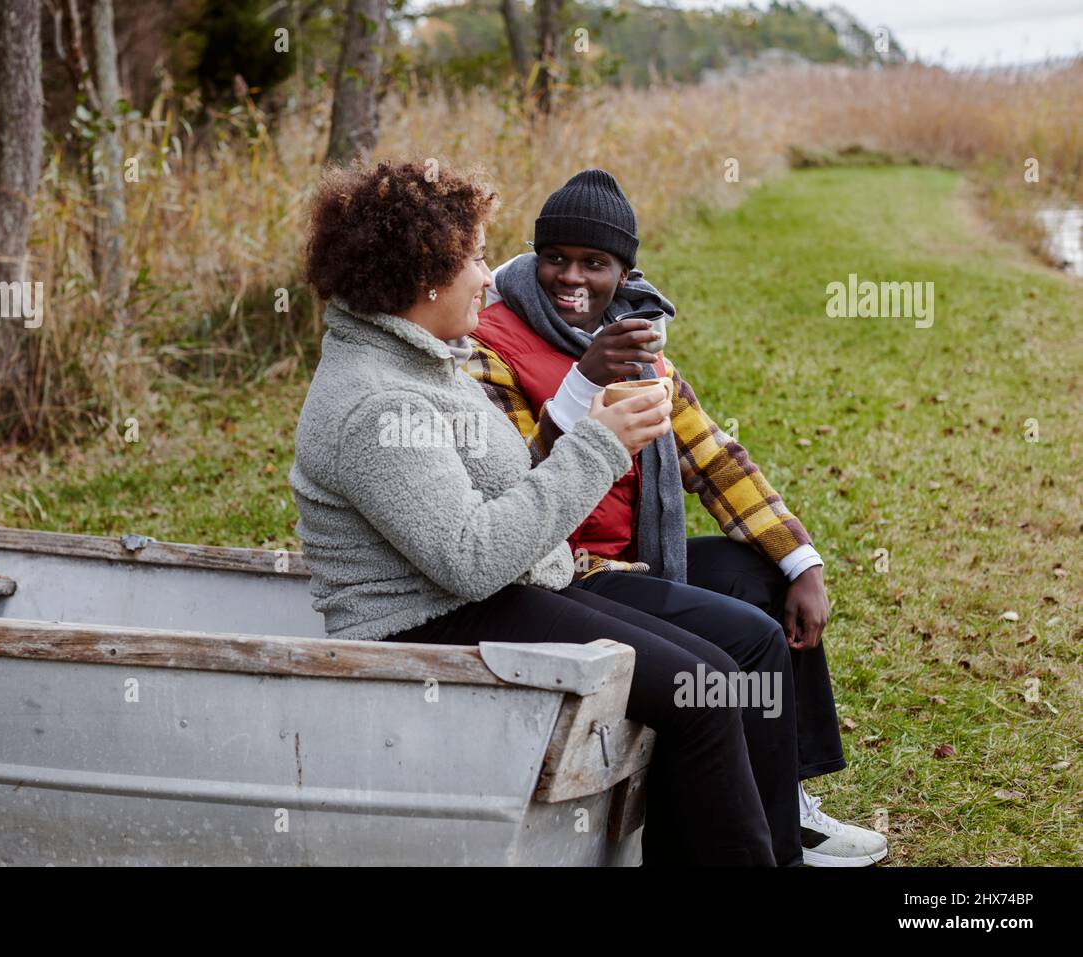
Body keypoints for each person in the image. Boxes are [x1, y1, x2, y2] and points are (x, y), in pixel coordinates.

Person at [290, 159, 790, 865]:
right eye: (476, 257)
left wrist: (592, 422)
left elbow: (503, 485)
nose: (491, 276)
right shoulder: (379, 403)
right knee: (700, 693)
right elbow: (470, 558)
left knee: (726, 656)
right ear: (419, 275)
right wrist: (600, 446)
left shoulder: (427, 362)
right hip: (434, 619)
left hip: (505, 587)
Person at [465, 167, 888, 866]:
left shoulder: (634, 340)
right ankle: (770, 834)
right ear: (532, 257)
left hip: (634, 554)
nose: (571, 276)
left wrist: (802, 559)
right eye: (555, 257)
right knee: (743, 642)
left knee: (766, 579)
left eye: (594, 262)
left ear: (624, 270)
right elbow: (512, 484)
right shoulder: (492, 341)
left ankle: (790, 797)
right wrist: (580, 386)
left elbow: (712, 457)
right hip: (564, 569)